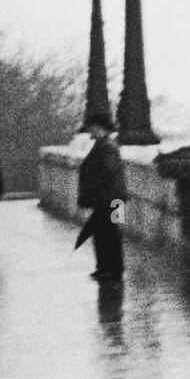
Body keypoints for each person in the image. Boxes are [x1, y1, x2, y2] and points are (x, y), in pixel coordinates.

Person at [78, 114, 127, 284]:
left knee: (108, 233)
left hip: (110, 200)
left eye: (91, 127)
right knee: (107, 233)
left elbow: (107, 172)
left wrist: (92, 189)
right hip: (113, 198)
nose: (89, 130)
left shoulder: (106, 146)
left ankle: (111, 270)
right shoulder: (105, 144)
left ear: (98, 128)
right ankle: (108, 269)